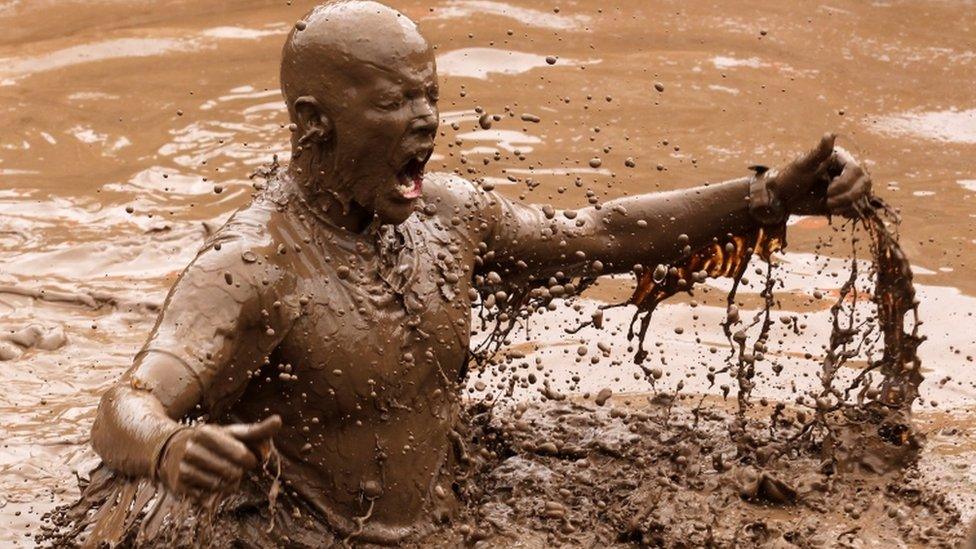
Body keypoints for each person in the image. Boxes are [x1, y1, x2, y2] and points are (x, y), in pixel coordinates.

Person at [56, 0, 871, 546]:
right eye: (393, 104)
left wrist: (769, 197)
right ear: (314, 125)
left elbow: (600, 233)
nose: (425, 122)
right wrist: (168, 448)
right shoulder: (251, 266)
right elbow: (127, 403)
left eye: (430, 97)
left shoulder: (448, 213)